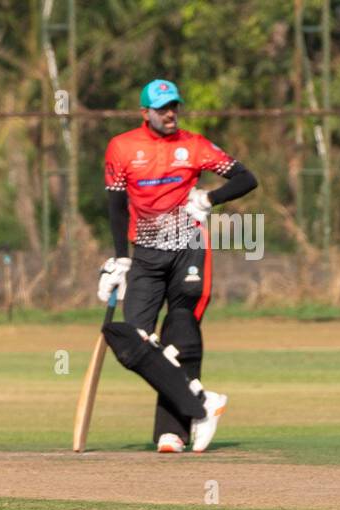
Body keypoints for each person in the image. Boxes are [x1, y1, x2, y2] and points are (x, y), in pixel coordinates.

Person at [97, 79, 257, 453]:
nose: (170, 114)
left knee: (181, 334)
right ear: (145, 113)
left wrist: (210, 199)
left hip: (190, 248)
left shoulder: (194, 145)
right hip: (146, 254)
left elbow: (247, 178)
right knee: (130, 341)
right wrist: (121, 259)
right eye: (162, 108)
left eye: (174, 107)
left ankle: (173, 432)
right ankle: (201, 404)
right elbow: (116, 208)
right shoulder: (122, 148)